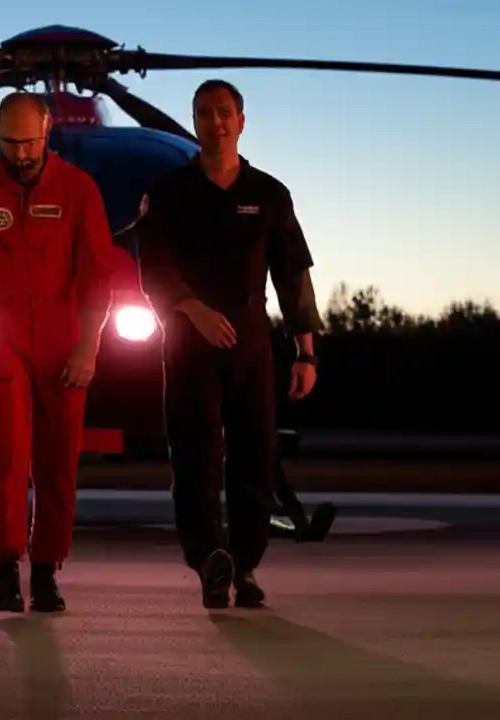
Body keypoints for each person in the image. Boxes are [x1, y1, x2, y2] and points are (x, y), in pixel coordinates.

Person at [133, 79, 323, 609]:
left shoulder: (268, 194)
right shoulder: (169, 191)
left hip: (250, 339)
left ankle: (245, 564)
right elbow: (153, 268)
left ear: (241, 121)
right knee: (194, 454)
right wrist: (193, 311)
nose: (214, 123)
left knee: (255, 453)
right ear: (194, 122)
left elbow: (293, 275)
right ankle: (207, 560)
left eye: (223, 113)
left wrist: (306, 350)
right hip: (188, 340)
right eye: (203, 114)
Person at [0, 92, 114, 613]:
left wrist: (88, 346)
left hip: (63, 343)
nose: (20, 153)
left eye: (29, 142)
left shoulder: (78, 189)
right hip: (0, 339)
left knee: (57, 461)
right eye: (9, 142)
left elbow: (98, 275)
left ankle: (47, 570)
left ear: (47, 130)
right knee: (5, 455)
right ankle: (7, 568)